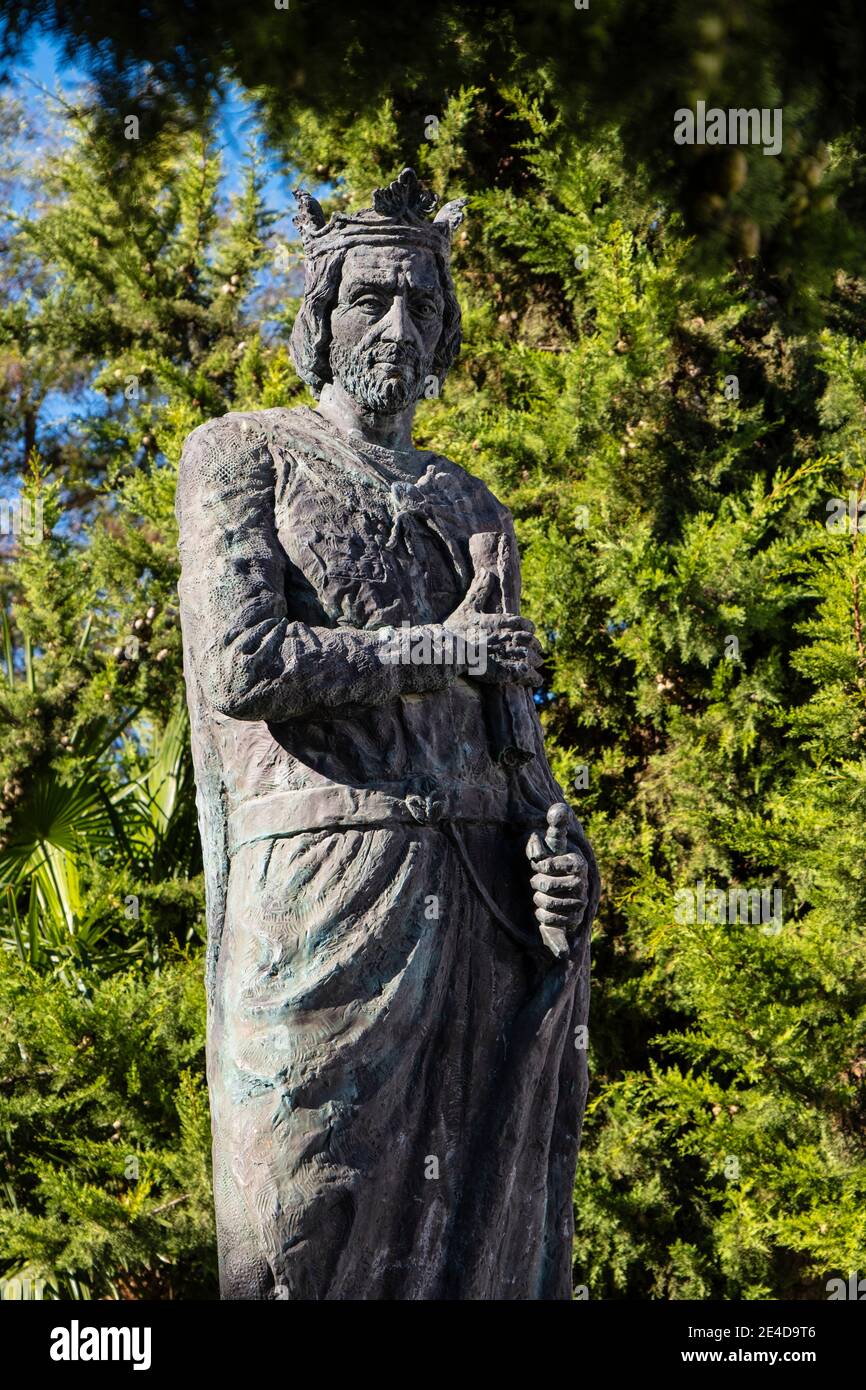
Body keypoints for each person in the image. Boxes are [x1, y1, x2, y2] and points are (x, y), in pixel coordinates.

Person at [176, 167, 599, 1299]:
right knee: (299, 1229)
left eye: (420, 300)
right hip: (317, 897)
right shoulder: (240, 453)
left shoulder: (472, 506)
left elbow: (519, 745)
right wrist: (430, 650)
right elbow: (243, 662)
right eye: (368, 299)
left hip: (469, 905)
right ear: (319, 318)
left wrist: (560, 854)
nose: (397, 325)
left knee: (467, 1236)